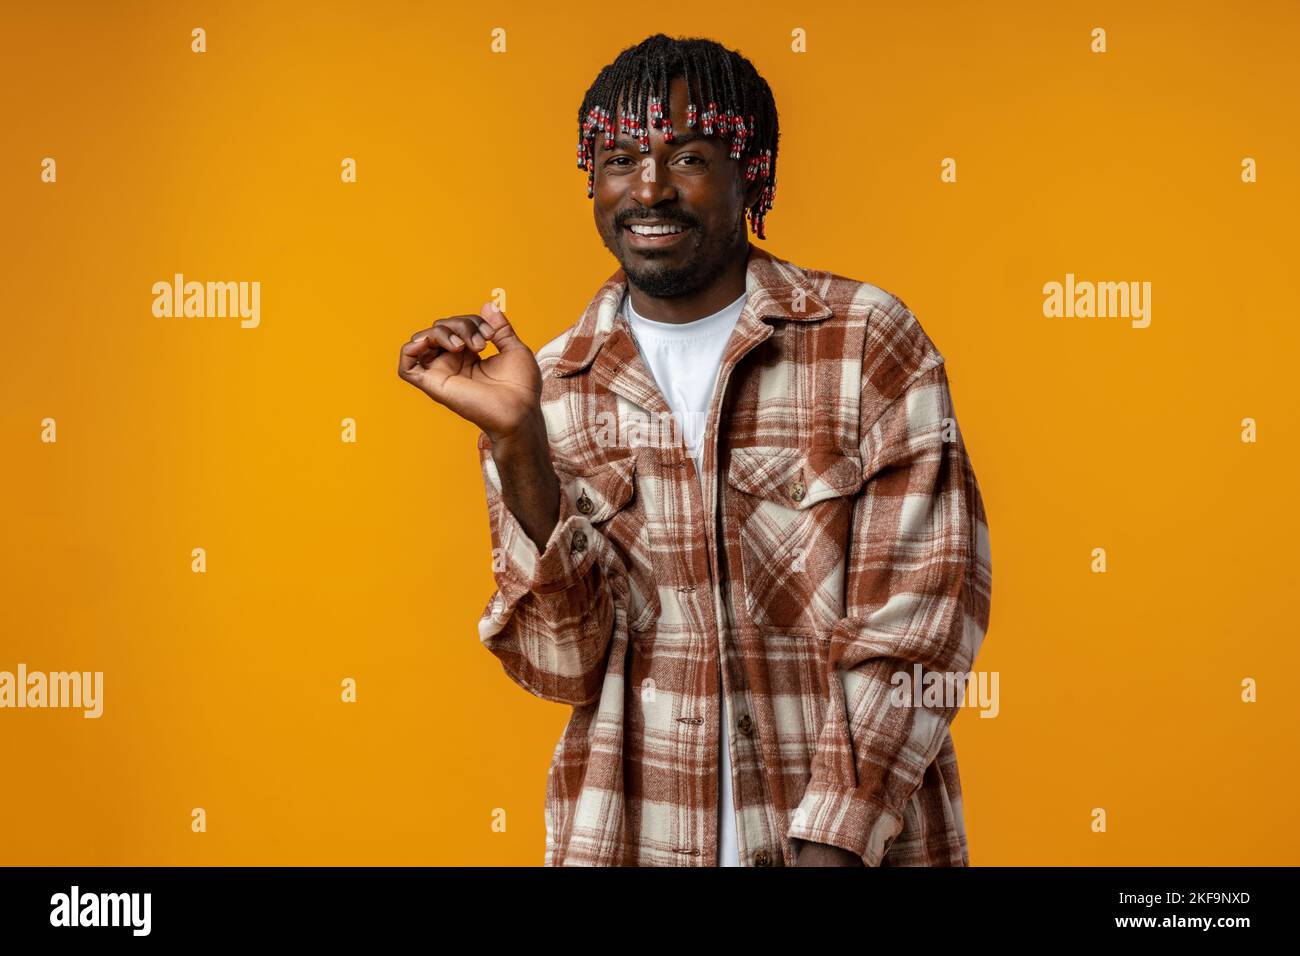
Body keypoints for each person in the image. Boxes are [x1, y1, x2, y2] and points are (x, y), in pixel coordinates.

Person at [398, 33, 992, 867]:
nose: (648, 189)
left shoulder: (863, 343)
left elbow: (925, 615)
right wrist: (519, 443)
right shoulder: (553, 389)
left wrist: (836, 839)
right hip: (630, 841)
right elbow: (564, 665)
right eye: (618, 160)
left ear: (751, 170)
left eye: (687, 156)